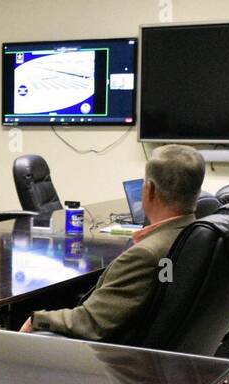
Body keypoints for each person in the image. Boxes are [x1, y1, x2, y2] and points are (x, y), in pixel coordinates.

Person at [20, 144, 205, 340]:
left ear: (149, 190)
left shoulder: (145, 254)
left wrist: (37, 319)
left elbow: (91, 322)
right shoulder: (195, 236)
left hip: (108, 357)